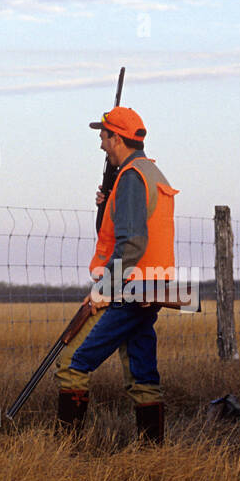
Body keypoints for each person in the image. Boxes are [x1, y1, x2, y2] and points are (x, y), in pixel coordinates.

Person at [52, 106, 178, 442]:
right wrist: (107, 204)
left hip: (128, 289)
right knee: (142, 375)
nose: (101, 145)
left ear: (117, 138)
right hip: (149, 290)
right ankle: (152, 452)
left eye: (104, 137)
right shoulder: (150, 174)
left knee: (72, 365)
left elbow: (133, 242)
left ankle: (66, 450)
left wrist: (102, 290)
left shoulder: (133, 178)